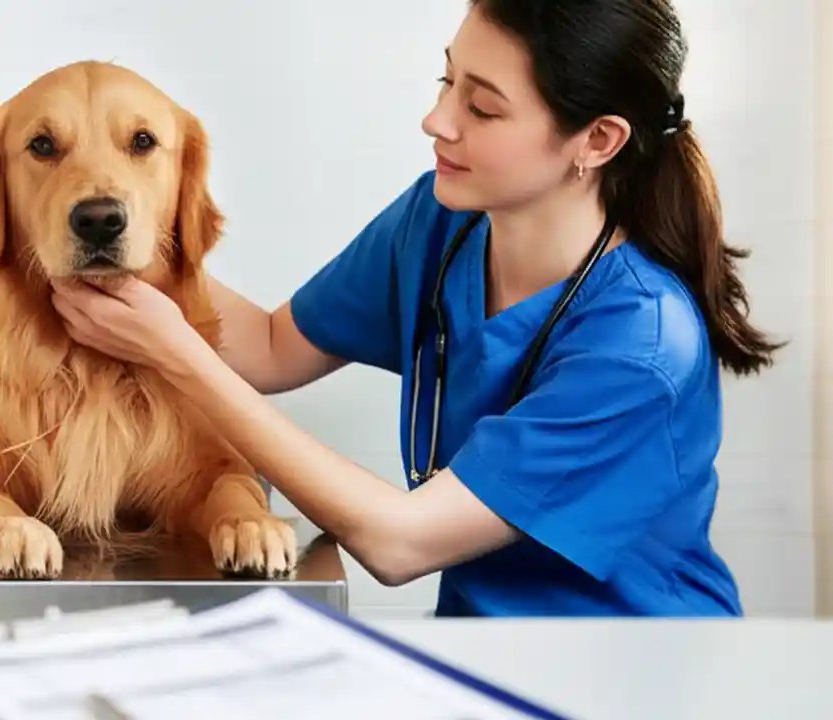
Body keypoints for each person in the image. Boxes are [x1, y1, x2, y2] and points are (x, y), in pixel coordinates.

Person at [49, 0, 782, 617]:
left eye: (482, 106)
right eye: (447, 79)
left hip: (633, 674)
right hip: (478, 656)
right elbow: (271, 347)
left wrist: (172, 354)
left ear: (597, 140)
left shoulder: (642, 350)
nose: (437, 120)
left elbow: (400, 545)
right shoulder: (443, 222)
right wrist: (118, 230)